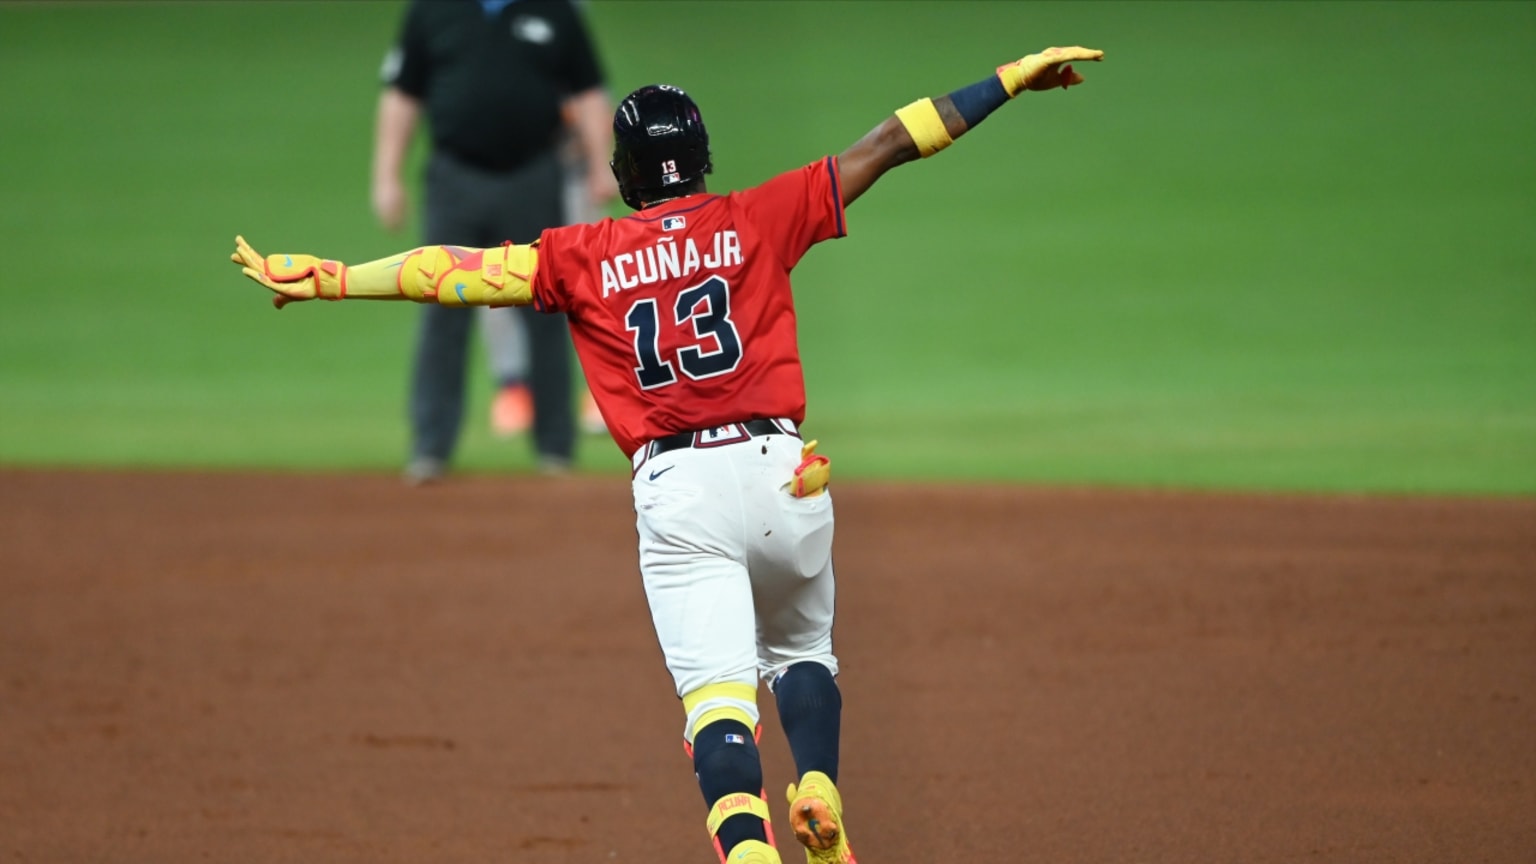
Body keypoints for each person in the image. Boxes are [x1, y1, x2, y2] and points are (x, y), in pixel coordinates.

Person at [233, 45, 1104, 864]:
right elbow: (891, 143)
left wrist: (339, 277)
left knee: (717, 702)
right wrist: (1008, 79)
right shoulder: (763, 215)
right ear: (704, 158)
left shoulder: (580, 256)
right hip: (785, 476)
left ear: (621, 173)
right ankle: (822, 789)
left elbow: (451, 270)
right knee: (804, 655)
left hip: (679, 492)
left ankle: (753, 849)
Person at [370, 0, 617, 483]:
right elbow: (402, 95)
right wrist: (386, 176)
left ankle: (555, 449)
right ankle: (430, 446)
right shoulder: (431, 11)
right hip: (454, 178)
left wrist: (598, 163)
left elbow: (587, 90)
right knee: (440, 305)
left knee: (545, 305)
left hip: (533, 175)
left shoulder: (555, 11)